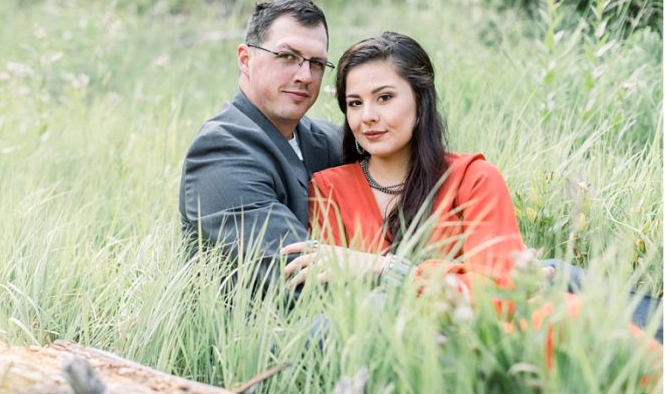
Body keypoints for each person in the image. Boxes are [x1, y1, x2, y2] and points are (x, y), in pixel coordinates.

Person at [280, 31, 662, 348]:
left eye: (385, 97)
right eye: (354, 103)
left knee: (572, 316)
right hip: (396, 352)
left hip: (497, 341)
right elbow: (340, 300)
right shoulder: (328, 188)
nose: (368, 117)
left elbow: (501, 291)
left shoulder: (473, 178)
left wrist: (381, 268)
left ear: (421, 100)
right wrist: (456, 278)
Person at [179, 0, 341, 291]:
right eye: (287, 57)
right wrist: (396, 273)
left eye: (316, 63)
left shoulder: (329, 140)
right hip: (259, 332)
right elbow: (298, 274)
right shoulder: (220, 152)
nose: (305, 76)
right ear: (245, 59)